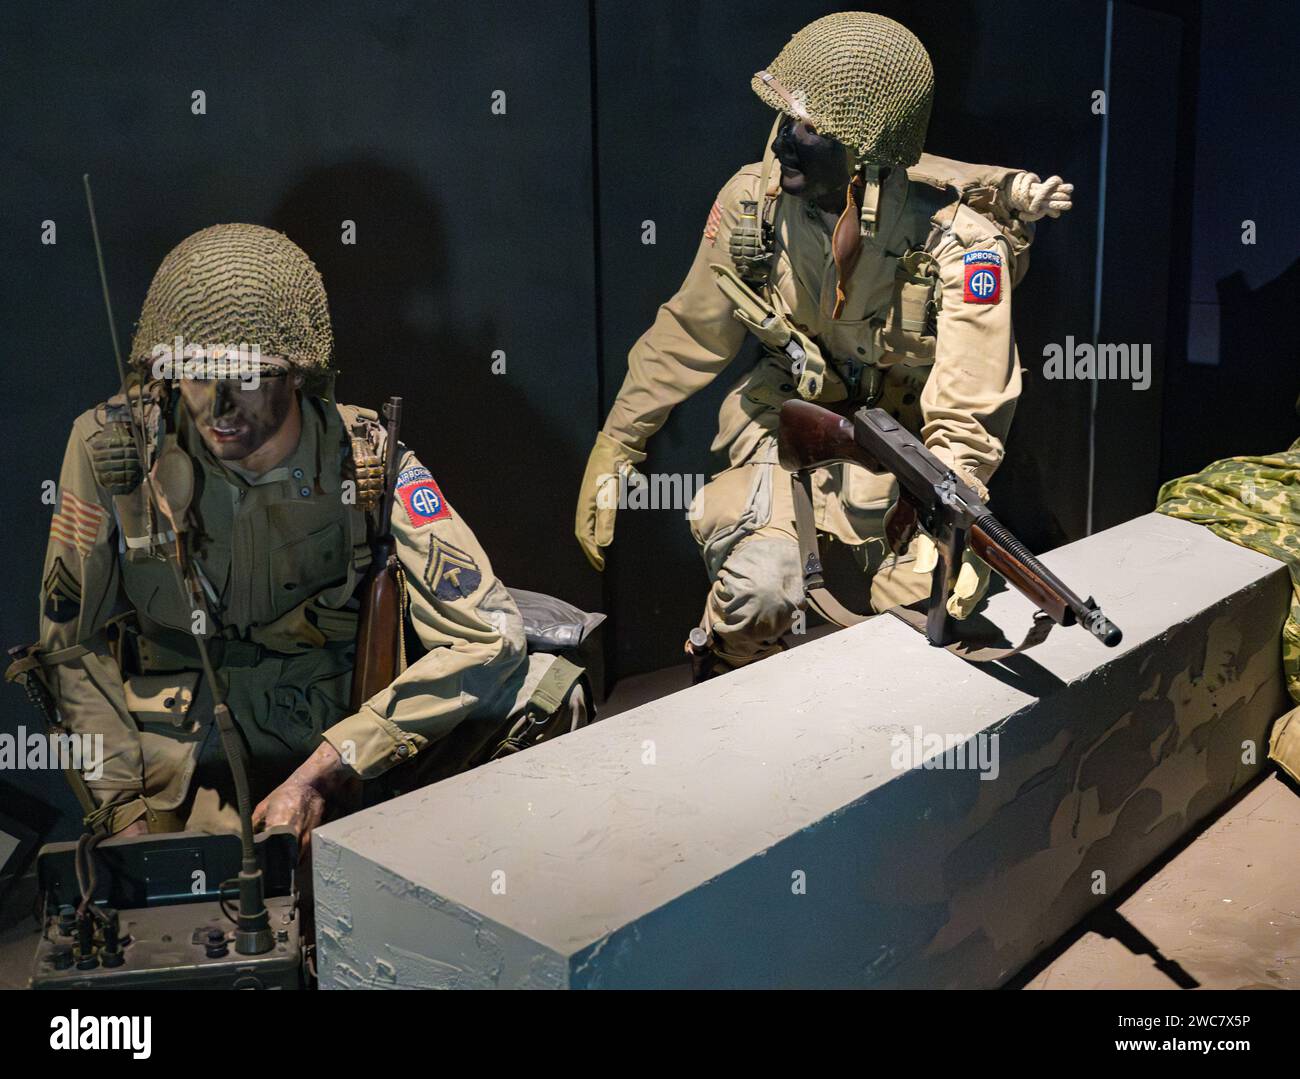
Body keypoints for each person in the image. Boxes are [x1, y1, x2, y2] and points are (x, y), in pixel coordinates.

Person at [12, 223, 586, 846]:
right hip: (186, 755)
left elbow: (489, 637)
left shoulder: (365, 454)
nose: (219, 406)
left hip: (340, 724)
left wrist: (335, 762)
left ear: (299, 376)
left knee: (547, 698)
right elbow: (70, 650)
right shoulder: (113, 448)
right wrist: (122, 813)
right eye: (195, 375)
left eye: (248, 377)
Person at [575, 11, 1072, 678]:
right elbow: (690, 330)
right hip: (785, 418)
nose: (782, 142)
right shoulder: (755, 203)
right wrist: (620, 440)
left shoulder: (958, 243)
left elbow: (969, 405)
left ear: (865, 149)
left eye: (809, 127)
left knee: (921, 611)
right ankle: (726, 688)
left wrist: (947, 514)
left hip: (906, 444)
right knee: (758, 591)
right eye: (783, 119)